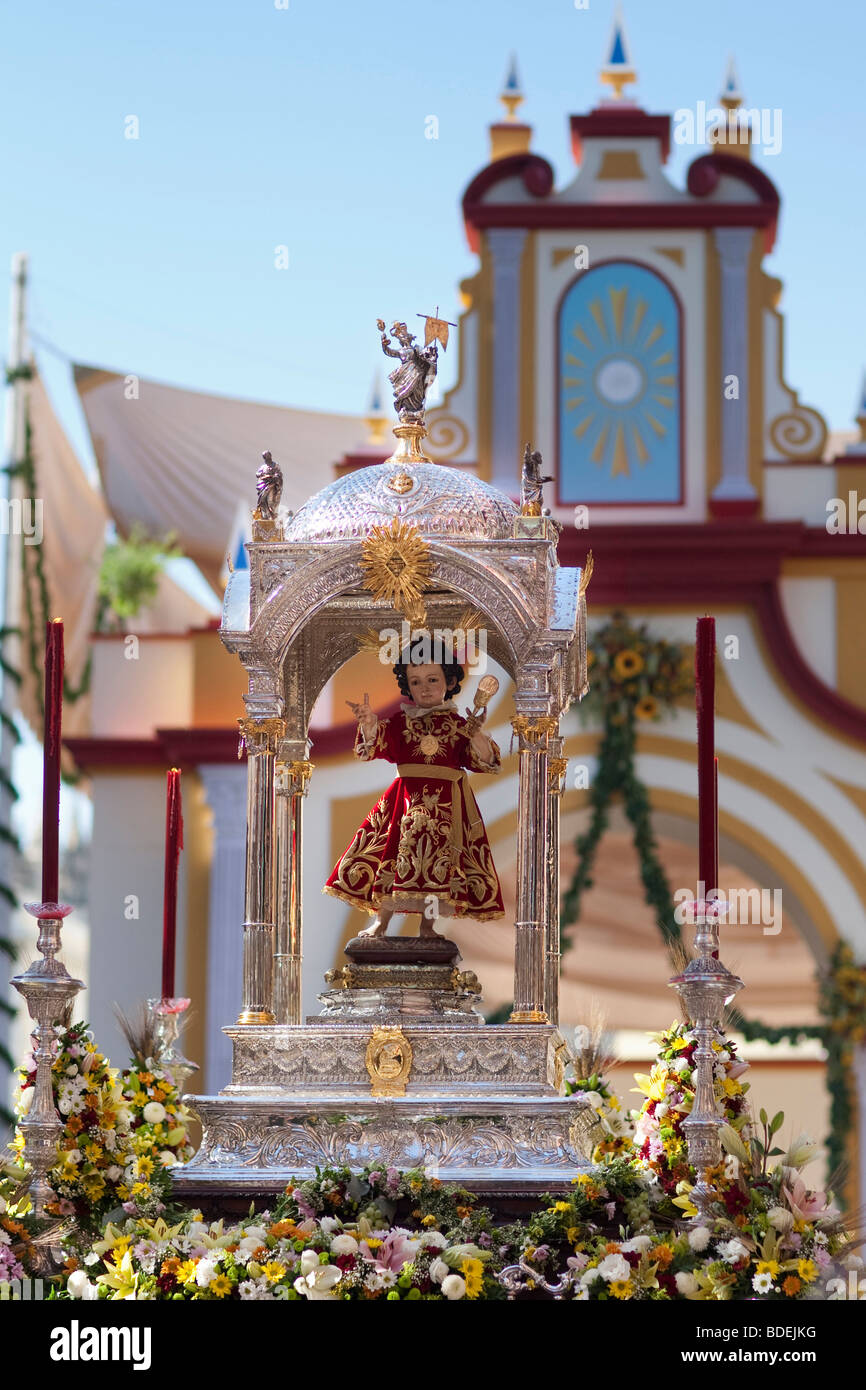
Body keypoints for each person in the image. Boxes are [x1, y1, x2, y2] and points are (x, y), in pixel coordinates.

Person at [323, 653, 505, 937]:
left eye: (433, 680)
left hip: (446, 808)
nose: (425, 687)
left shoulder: (460, 726)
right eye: (416, 682)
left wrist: (477, 734)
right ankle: (381, 924)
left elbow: (484, 762)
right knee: (391, 859)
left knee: (439, 867)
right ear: (408, 687)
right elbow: (375, 746)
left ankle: (427, 927)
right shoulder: (399, 723)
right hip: (404, 805)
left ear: (451, 681)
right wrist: (369, 723)